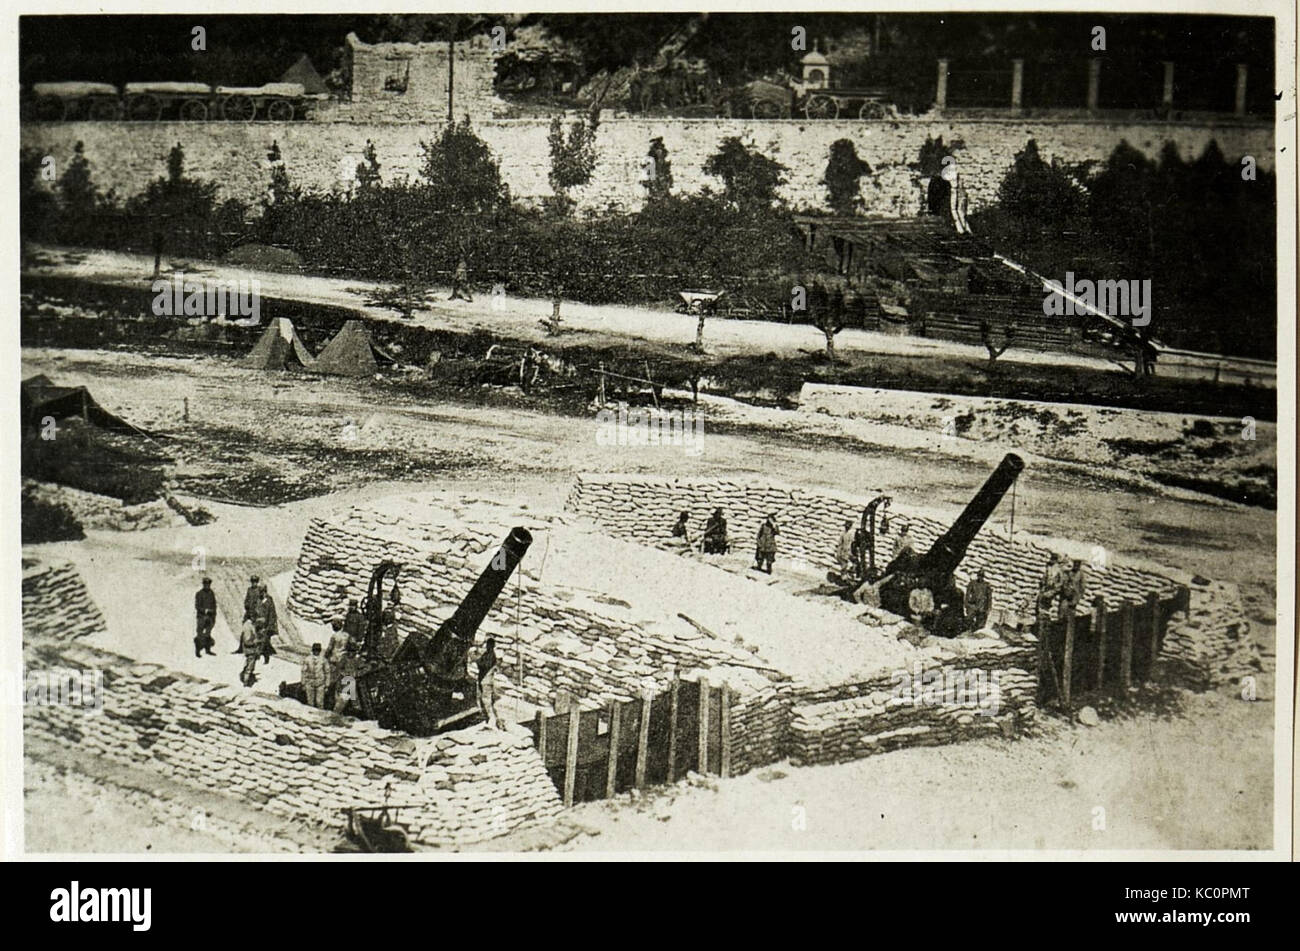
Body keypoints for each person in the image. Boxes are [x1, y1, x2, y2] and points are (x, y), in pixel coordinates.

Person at [476, 637, 501, 729]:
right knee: (482, 699)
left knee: (486, 700)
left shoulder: (491, 655)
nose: (487, 646)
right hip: (483, 679)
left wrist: (476, 659)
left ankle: (492, 719)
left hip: (486, 680)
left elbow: (484, 665)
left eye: (489, 645)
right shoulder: (487, 654)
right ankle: (486, 717)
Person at [194, 578, 217, 658]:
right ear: (203, 585)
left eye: (208, 585)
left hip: (210, 617)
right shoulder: (199, 594)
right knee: (200, 634)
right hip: (201, 617)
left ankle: (208, 650)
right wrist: (205, 610)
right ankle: (197, 651)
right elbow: (197, 606)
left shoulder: (211, 593)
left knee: (208, 633)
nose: (207, 586)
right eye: (205, 584)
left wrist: (213, 616)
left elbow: (214, 605)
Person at [301, 643, 328, 708]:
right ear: (312, 650)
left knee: (319, 702)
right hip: (309, 683)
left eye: (318, 650)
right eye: (315, 650)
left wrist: (327, 685)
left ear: (320, 651)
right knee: (310, 702)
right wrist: (303, 683)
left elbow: (327, 672)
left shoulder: (324, 660)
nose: (316, 652)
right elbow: (303, 672)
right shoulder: (307, 659)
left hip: (320, 683)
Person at [256, 586, 278, 664]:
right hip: (259, 624)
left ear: (264, 592)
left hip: (267, 625)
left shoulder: (269, 601)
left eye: (261, 592)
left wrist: (269, 626)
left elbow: (272, 615)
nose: (260, 594)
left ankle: (266, 657)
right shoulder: (259, 600)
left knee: (265, 641)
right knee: (259, 640)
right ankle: (258, 655)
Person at [238, 618, 260, 687]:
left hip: (250, 649)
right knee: (249, 667)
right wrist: (255, 642)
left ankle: (246, 679)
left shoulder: (248, 625)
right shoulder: (248, 626)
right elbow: (247, 640)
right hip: (250, 649)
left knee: (249, 664)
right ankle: (246, 682)